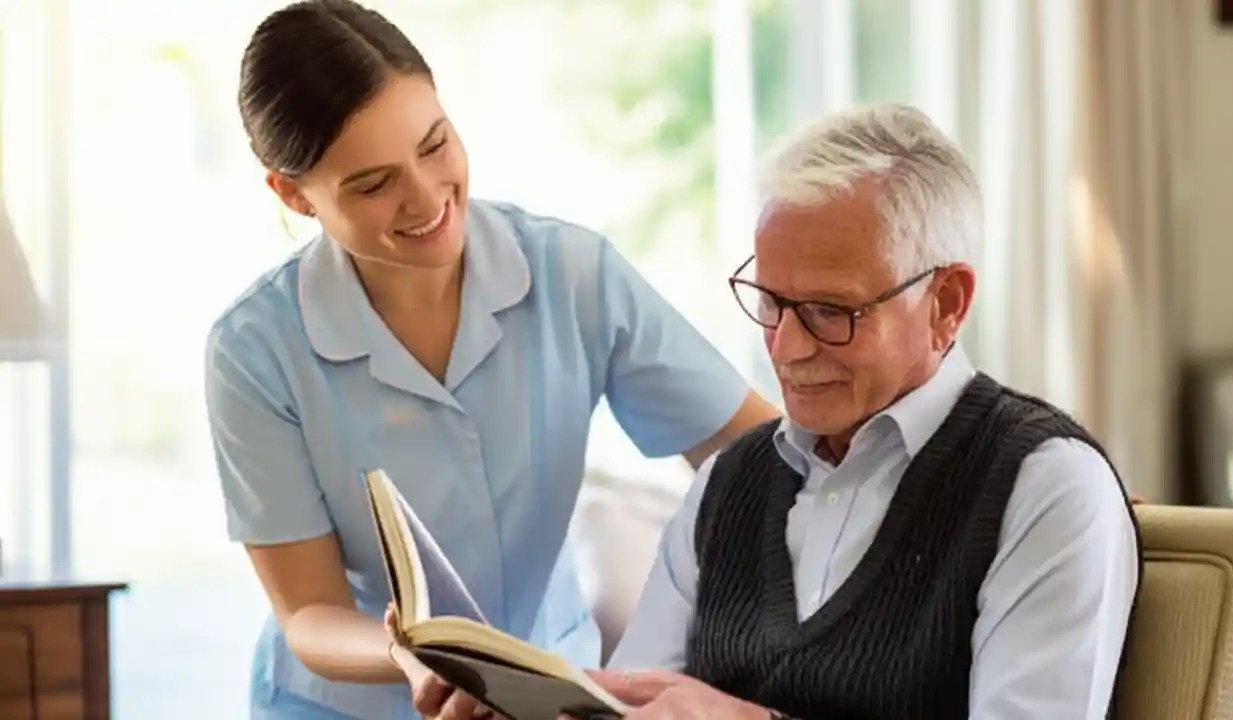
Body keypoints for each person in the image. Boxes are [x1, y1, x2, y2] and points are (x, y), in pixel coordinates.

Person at [204, 1, 777, 718]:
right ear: (293, 193)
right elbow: (309, 614)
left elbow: (757, 457)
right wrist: (409, 656)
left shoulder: (572, 275)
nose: (425, 197)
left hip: (551, 686)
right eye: (373, 184)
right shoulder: (255, 350)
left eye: (435, 143)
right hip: (347, 701)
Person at [601, 103, 1142, 719]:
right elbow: (627, 703)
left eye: (831, 311)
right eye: (772, 303)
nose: (786, 347)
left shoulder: (1046, 486)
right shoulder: (726, 484)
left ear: (946, 302)